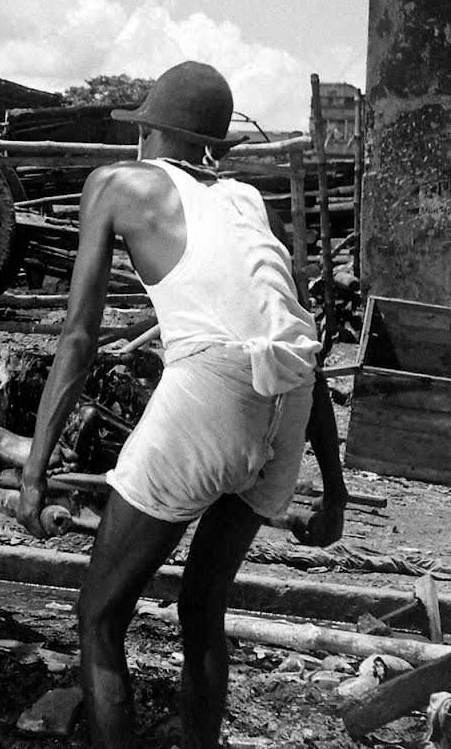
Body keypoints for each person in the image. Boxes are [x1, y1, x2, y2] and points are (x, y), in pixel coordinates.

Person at [17, 61, 347, 749]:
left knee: (100, 618)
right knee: (203, 606)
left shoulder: (115, 184)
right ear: (215, 149)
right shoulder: (252, 202)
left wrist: (33, 471)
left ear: (148, 133)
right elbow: (298, 340)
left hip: (212, 391)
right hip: (288, 405)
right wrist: (334, 491)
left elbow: (78, 336)